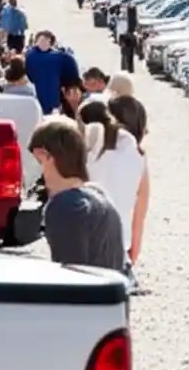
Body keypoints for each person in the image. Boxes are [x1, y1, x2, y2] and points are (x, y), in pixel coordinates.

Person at [28, 117, 124, 272]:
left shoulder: (65, 207)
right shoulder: (100, 196)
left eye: (38, 162)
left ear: (45, 155)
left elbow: (72, 282)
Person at [80, 99, 146, 279]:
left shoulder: (85, 154)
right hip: (120, 248)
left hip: (85, 250)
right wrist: (134, 246)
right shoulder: (133, 148)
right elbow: (141, 205)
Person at [109, 94, 150, 267]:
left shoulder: (89, 149)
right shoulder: (138, 156)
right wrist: (133, 251)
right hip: (119, 243)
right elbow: (139, 213)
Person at [26, 30, 80, 115]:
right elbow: (72, 82)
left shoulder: (28, 56)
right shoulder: (63, 57)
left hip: (33, 105)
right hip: (54, 105)